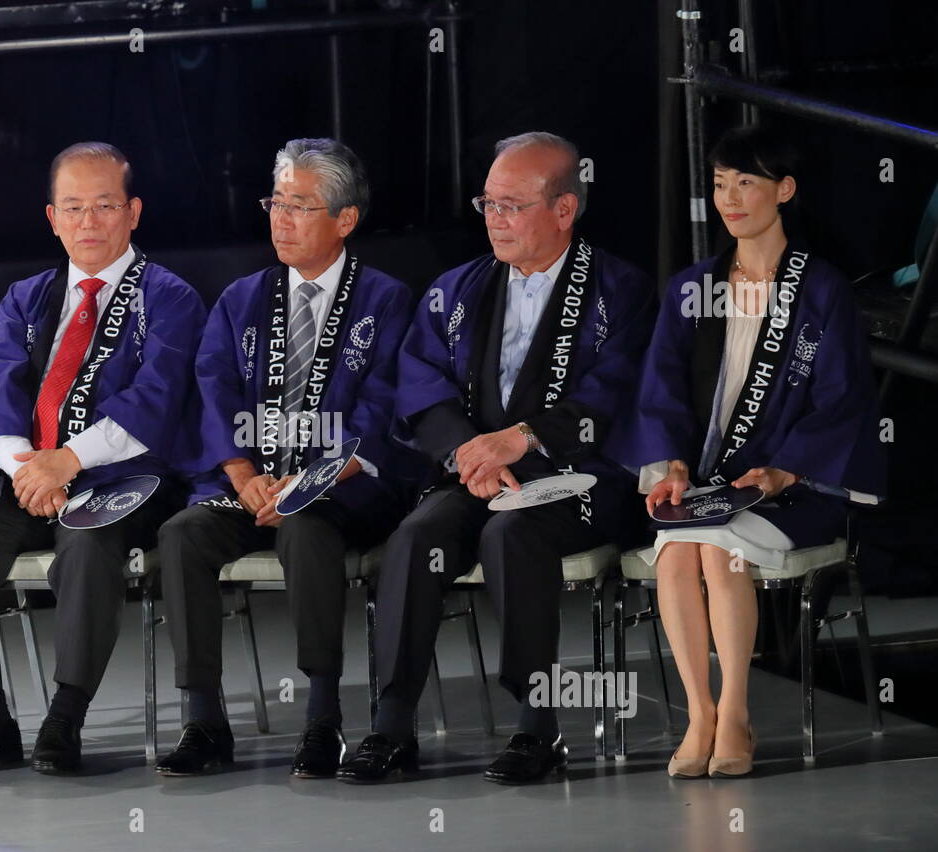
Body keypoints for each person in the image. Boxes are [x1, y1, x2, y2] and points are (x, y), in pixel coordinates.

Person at [338, 132, 656, 785]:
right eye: (488, 204)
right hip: (475, 473)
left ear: (564, 210)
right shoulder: (457, 289)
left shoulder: (620, 290)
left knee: (514, 534)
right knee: (415, 536)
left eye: (512, 206)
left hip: (576, 479)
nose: (495, 219)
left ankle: (538, 730)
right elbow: (420, 383)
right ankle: (392, 727)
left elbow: (617, 391)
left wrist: (523, 437)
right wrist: (468, 452)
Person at [0, 142, 207, 774]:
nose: (89, 222)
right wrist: (30, 467)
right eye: (73, 207)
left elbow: (157, 399)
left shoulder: (169, 298)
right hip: (31, 479)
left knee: (84, 544)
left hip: (124, 480)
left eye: (105, 206)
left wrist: (68, 462)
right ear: (52, 217)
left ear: (133, 212)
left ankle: (66, 714)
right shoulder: (28, 297)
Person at [613, 126, 886, 778]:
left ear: (783, 190)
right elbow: (660, 391)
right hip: (712, 484)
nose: (730, 198)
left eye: (747, 183)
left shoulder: (820, 289)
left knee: (716, 547)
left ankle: (735, 711)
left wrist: (784, 467)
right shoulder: (692, 288)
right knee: (681, 549)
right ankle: (700, 713)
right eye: (720, 184)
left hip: (797, 488)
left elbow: (844, 399)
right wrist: (673, 463)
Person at [154, 137, 416, 778]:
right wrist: (243, 474)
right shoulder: (241, 299)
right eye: (276, 202)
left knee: (306, 525)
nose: (280, 218)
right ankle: (204, 719)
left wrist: (306, 483)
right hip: (254, 482)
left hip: (342, 487)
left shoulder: (386, 300)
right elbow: (210, 392)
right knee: (182, 534)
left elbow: (382, 413)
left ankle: (324, 716)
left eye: (299, 206)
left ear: (344, 219)